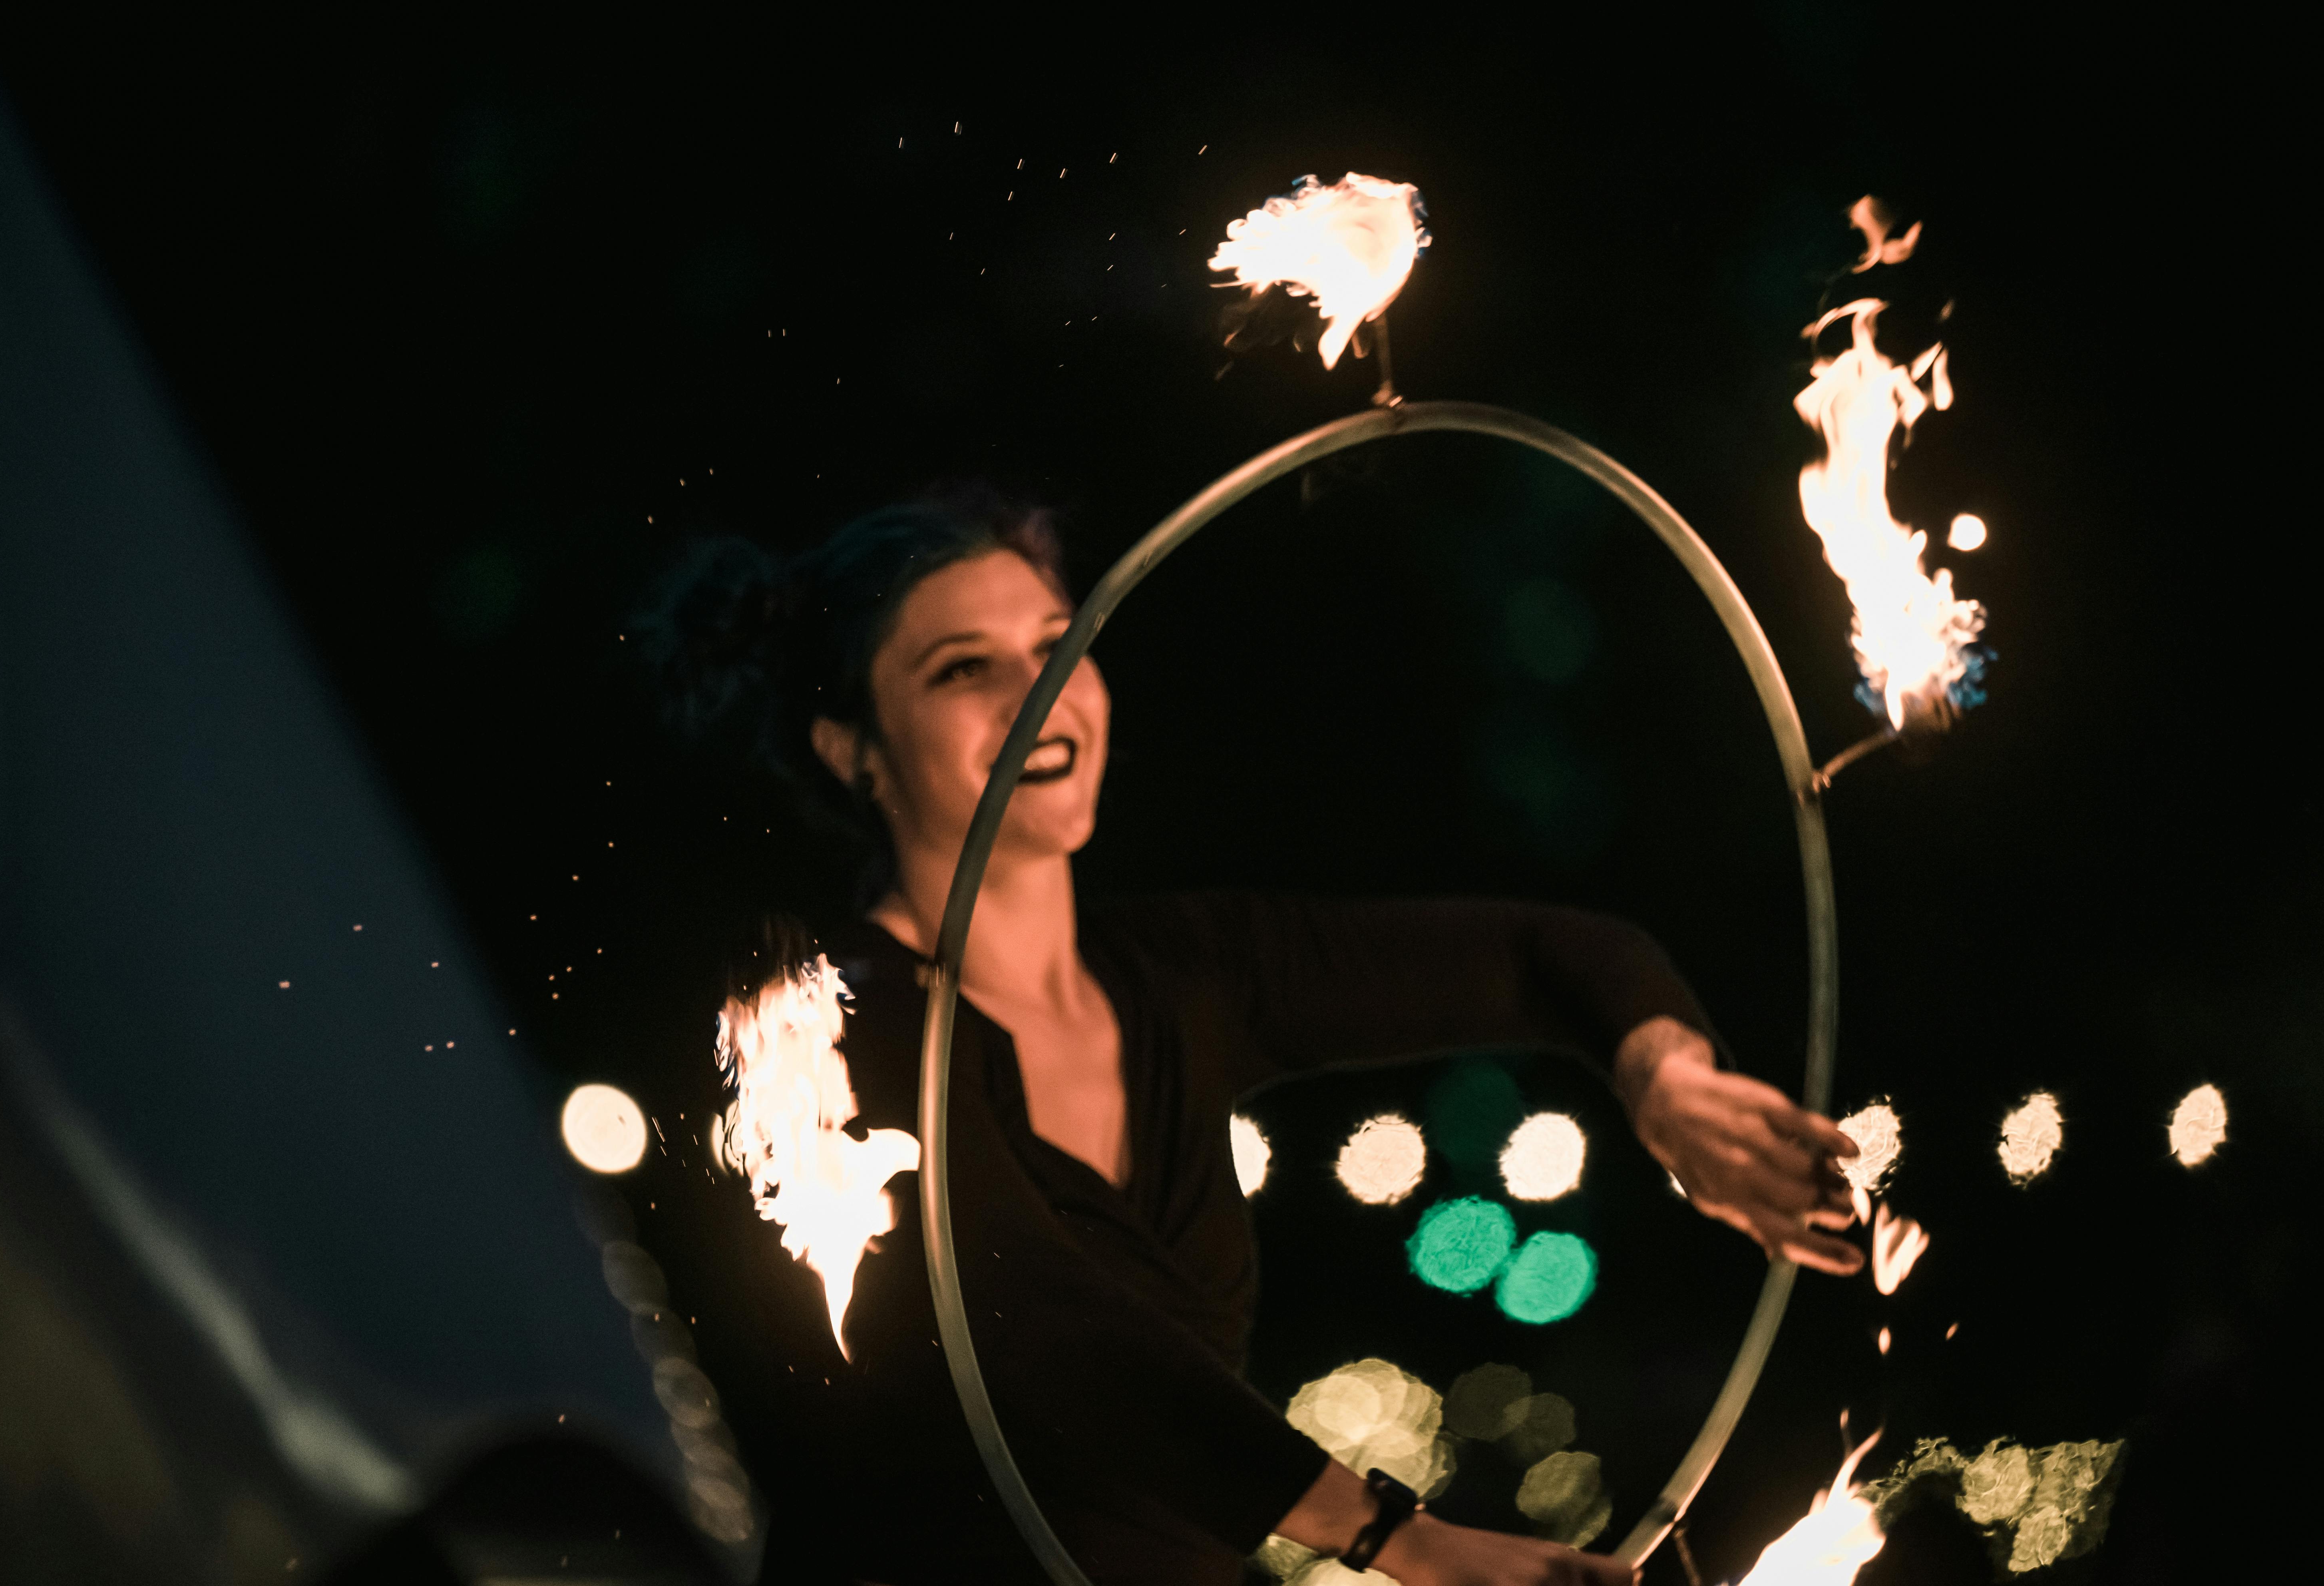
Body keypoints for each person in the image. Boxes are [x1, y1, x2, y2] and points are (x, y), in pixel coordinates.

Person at [629, 489, 1862, 1586]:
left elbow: (1549, 957)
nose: (1039, 693)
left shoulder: (1184, 970)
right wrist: (1401, 1542)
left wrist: (1666, 1081)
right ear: (854, 751)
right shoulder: (826, 1031)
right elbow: (1041, 1335)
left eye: (1057, 648)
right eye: (966, 670)